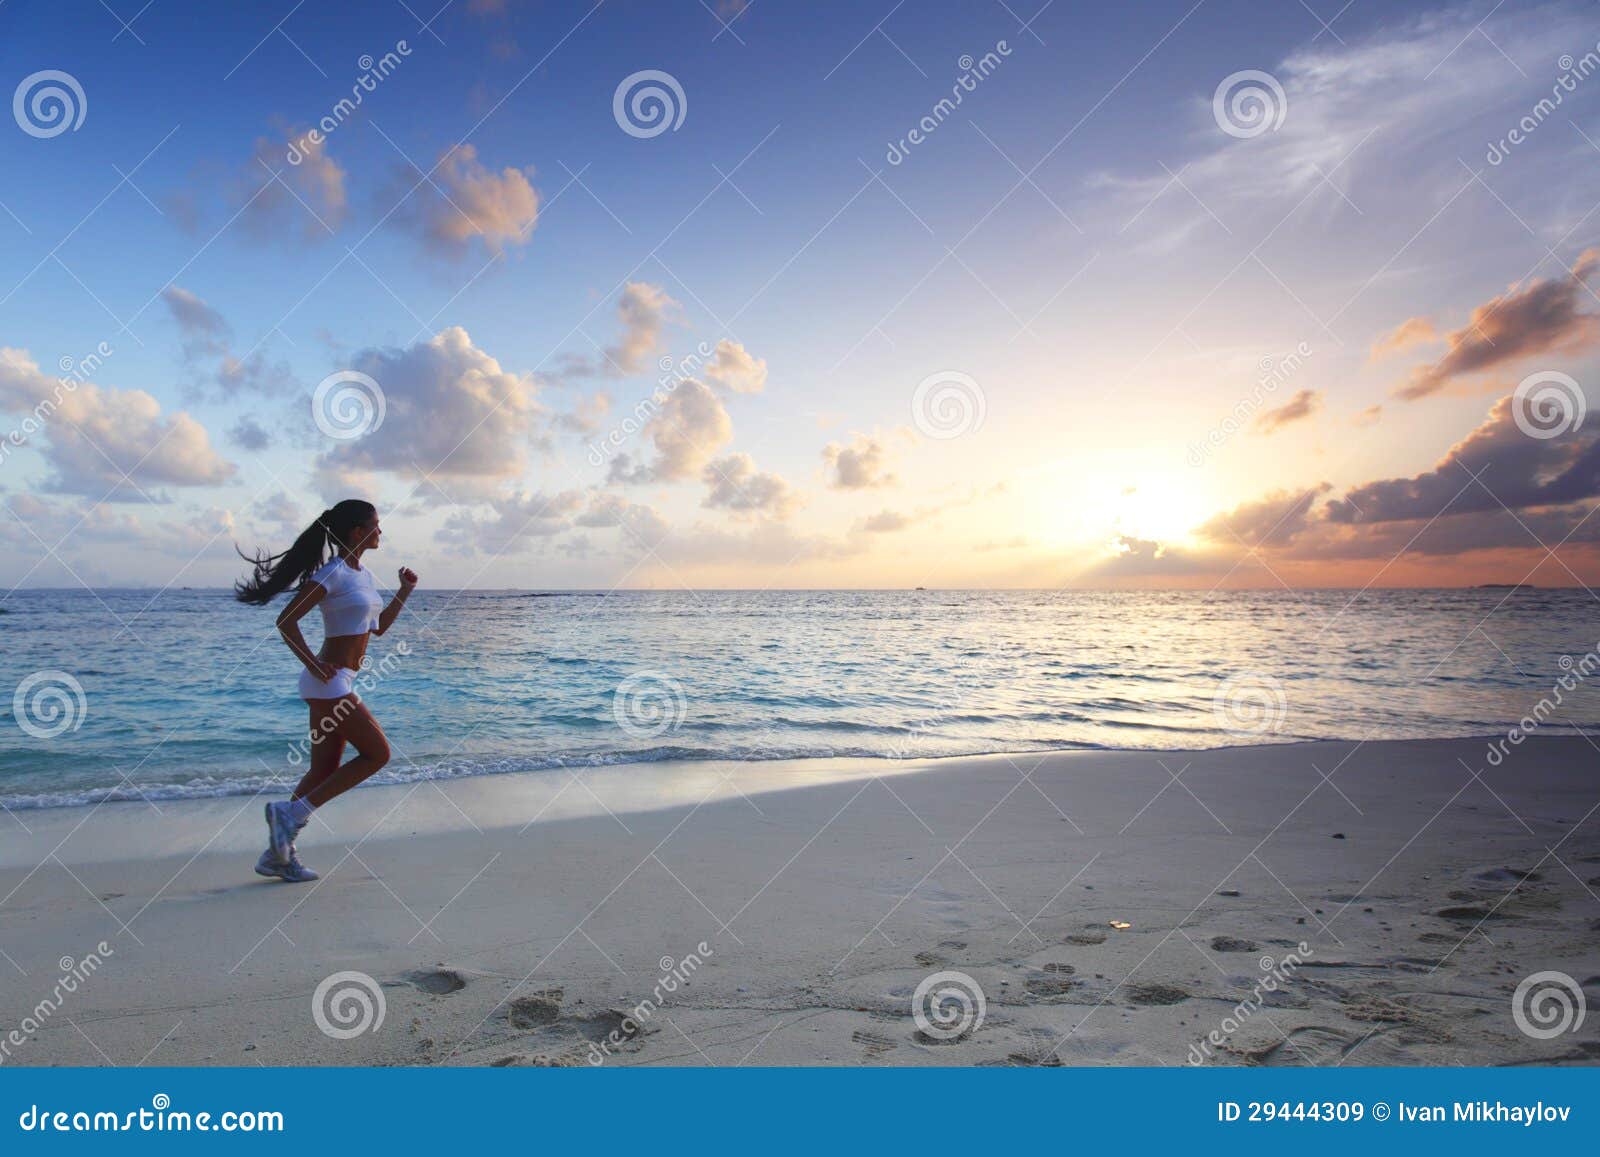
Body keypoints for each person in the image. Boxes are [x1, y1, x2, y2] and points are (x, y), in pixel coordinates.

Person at [235, 499, 418, 882]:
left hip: (338, 681)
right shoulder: (333, 573)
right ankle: (290, 815)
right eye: (376, 525)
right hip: (328, 683)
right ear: (357, 532)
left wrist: (404, 591)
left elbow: (378, 627)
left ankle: (277, 856)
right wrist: (313, 663)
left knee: (323, 769)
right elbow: (286, 620)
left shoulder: (363, 574)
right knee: (378, 754)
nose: (380, 532)